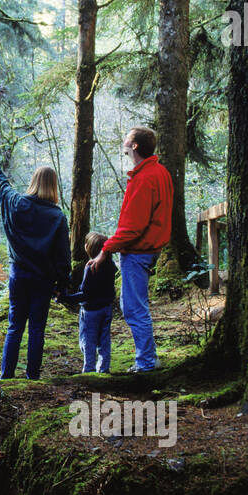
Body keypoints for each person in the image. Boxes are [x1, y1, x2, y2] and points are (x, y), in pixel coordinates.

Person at [0, 144, 71, 380]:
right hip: (44, 280)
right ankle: (32, 377)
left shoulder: (17, 204)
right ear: (53, 186)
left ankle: (6, 376)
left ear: (34, 181)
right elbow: (63, 254)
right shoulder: (57, 217)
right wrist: (63, 283)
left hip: (18, 276)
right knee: (37, 328)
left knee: (15, 326)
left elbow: (1, 185)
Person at [87, 126, 173, 373]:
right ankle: (148, 358)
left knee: (134, 307)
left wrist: (106, 249)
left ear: (134, 146)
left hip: (139, 251)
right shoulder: (157, 172)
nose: (123, 141)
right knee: (134, 305)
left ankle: (146, 362)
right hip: (147, 248)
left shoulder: (146, 177)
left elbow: (133, 227)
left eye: (127, 139)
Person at [60, 231, 117, 374]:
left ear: (88, 248)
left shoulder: (90, 267)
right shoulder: (111, 266)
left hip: (91, 312)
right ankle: (103, 369)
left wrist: (65, 298)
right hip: (106, 308)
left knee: (88, 340)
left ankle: (89, 370)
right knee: (104, 339)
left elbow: (85, 294)